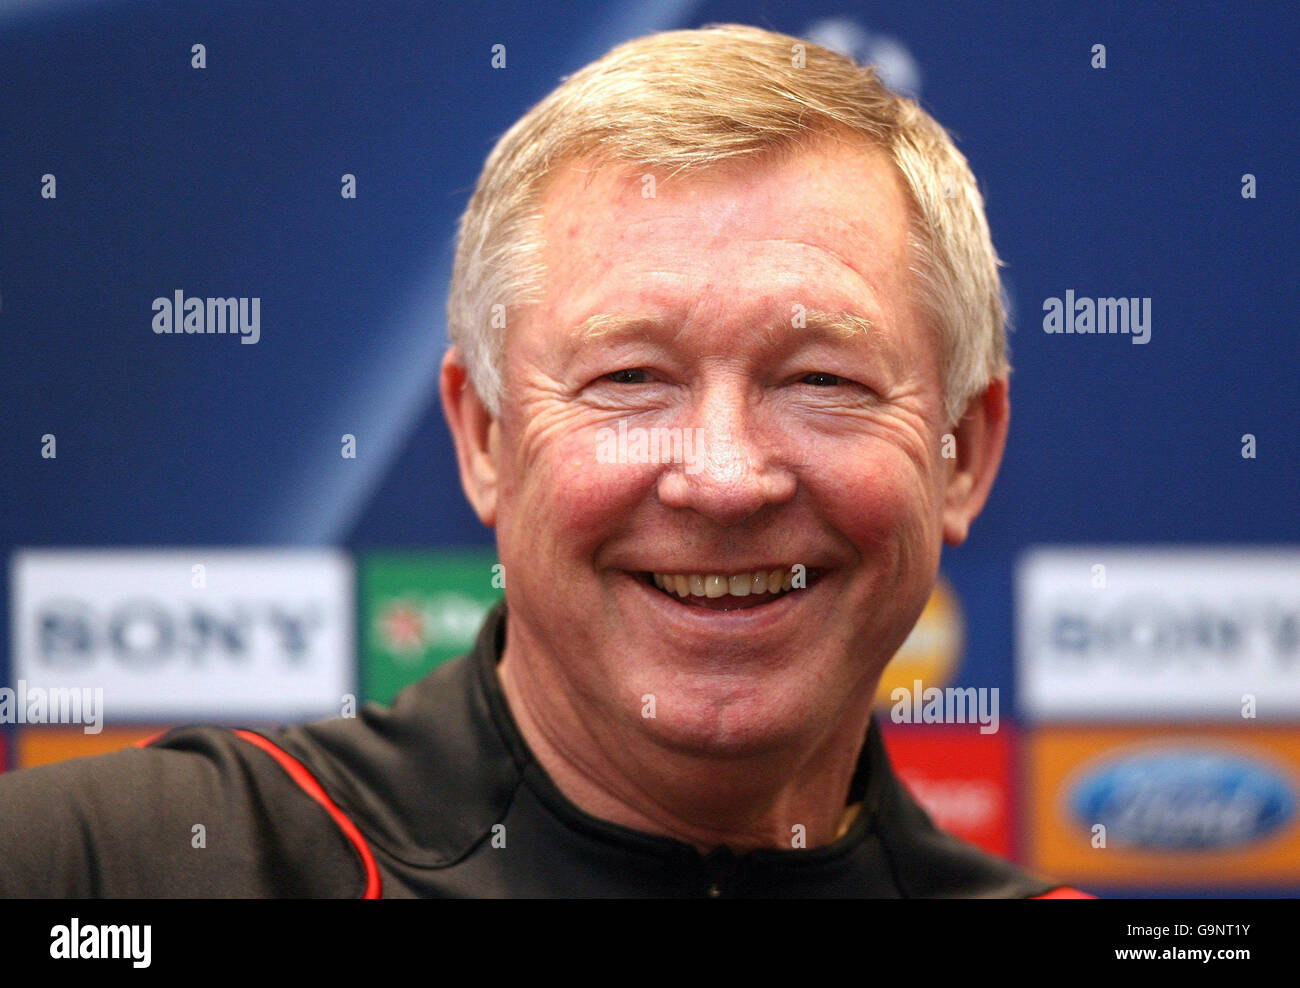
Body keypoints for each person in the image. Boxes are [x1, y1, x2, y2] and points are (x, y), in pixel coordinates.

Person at [0, 24, 1087, 898]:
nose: (719, 477)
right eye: (628, 379)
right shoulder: (89, 872)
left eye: (821, 381)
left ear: (963, 453)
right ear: (483, 437)